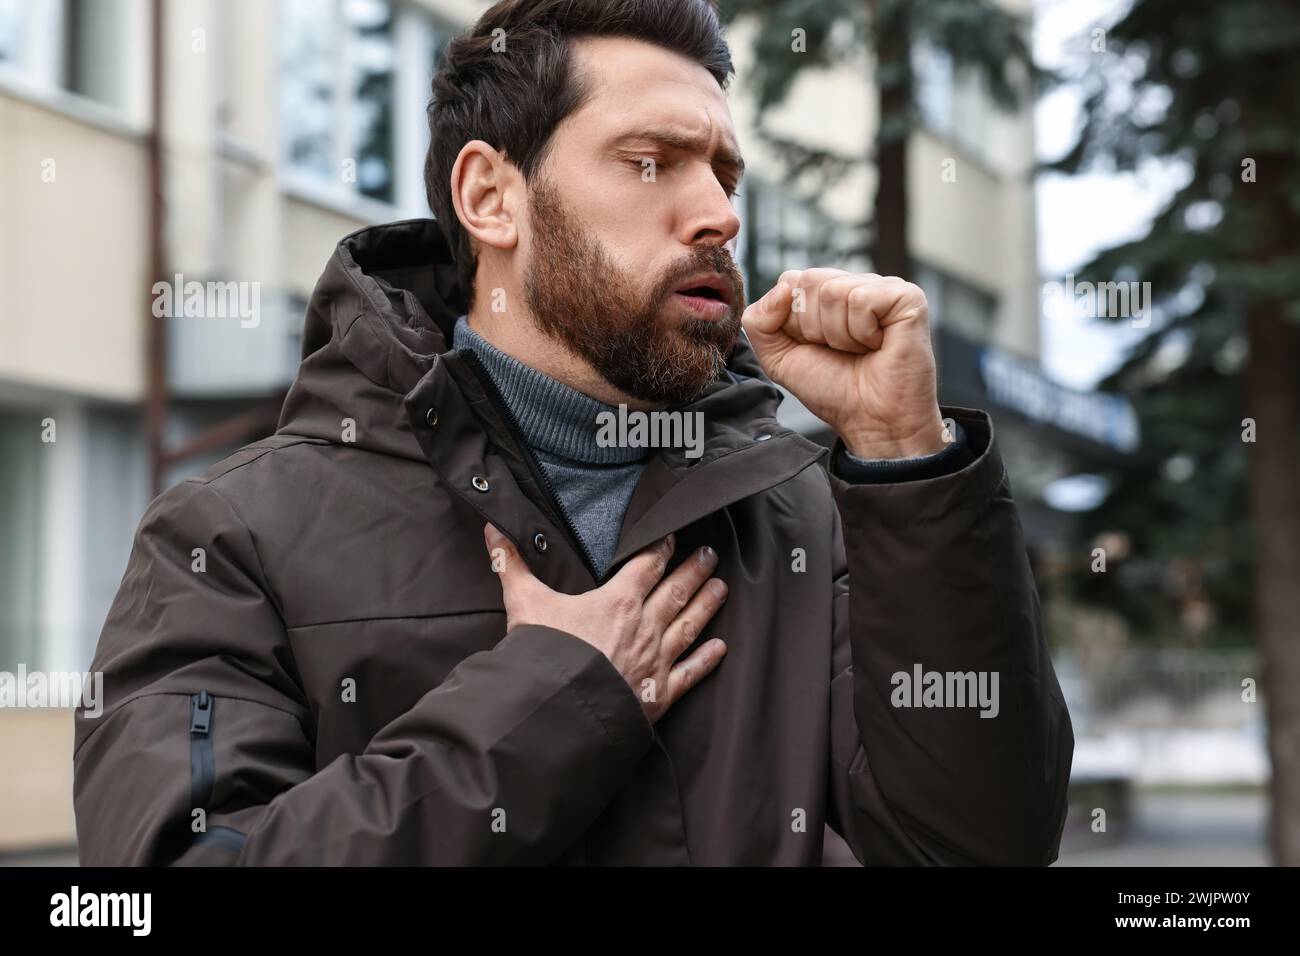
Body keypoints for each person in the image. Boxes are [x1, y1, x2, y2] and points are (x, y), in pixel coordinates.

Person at [73, 0, 1073, 865]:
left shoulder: (815, 514)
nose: (718, 213)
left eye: (726, 173)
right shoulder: (230, 536)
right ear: (489, 197)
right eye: (651, 162)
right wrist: (555, 696)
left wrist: (907, 459)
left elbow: (975, 844)